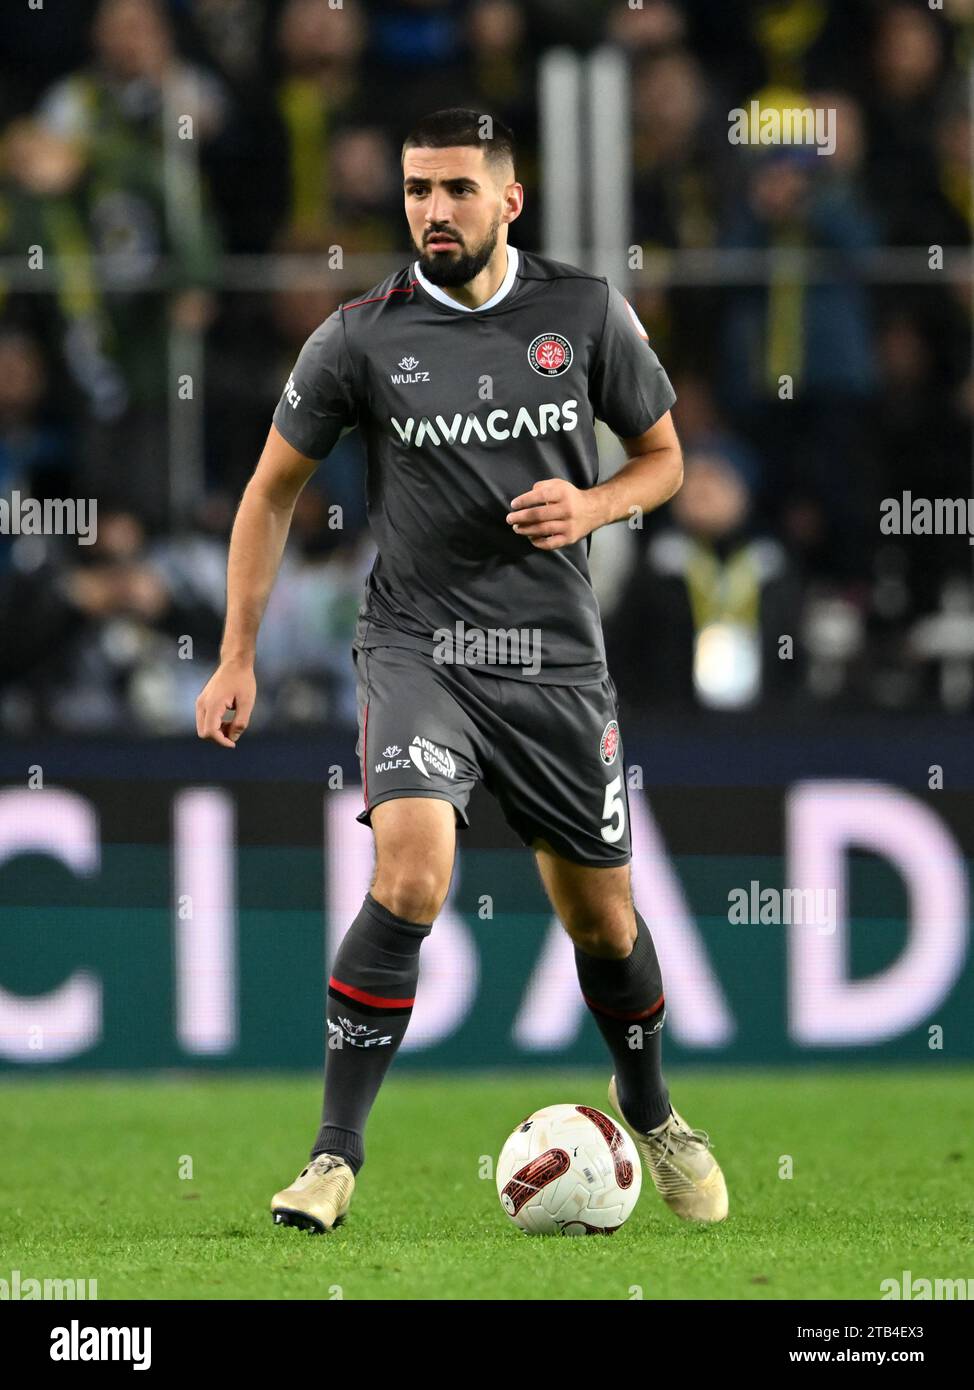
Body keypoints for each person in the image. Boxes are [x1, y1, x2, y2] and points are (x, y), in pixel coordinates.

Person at [195, 108, 728, 1233]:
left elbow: (665, 460)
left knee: (604, 927)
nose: (431, 211)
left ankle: (652, 1106)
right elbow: (267, 493)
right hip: (417, 645)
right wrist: (235, 654)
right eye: (415, 190)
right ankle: (332, 1158)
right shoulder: (357, 337)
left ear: (507, 201)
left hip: (553, 657)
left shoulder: (582, 312)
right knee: (410, 874)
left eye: (454, 190)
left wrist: (592, 502)